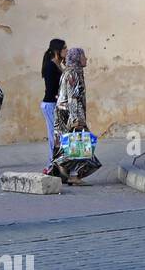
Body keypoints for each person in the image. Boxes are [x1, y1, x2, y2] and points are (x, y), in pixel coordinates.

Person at [47, 47, 102, 184]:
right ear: (77, 58)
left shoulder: (72, 71)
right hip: (70, 113)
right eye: (83, 56)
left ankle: (67, 173)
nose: (86, 59)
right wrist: (76, 119)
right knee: (79, 143)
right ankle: (70, 172)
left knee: (72, 144)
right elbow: (72, 97)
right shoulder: (73, 74)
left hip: (65, 113)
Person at [41, 38, 66, 161]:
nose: (66, 50)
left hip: (55, 104)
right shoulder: (50, 66)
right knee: (54, 136)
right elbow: (51, 89)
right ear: (57, 50)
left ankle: (58, 163)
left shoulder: (58, 64)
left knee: (59, 135)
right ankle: (53, 164)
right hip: (51, 104)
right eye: (64, 48)